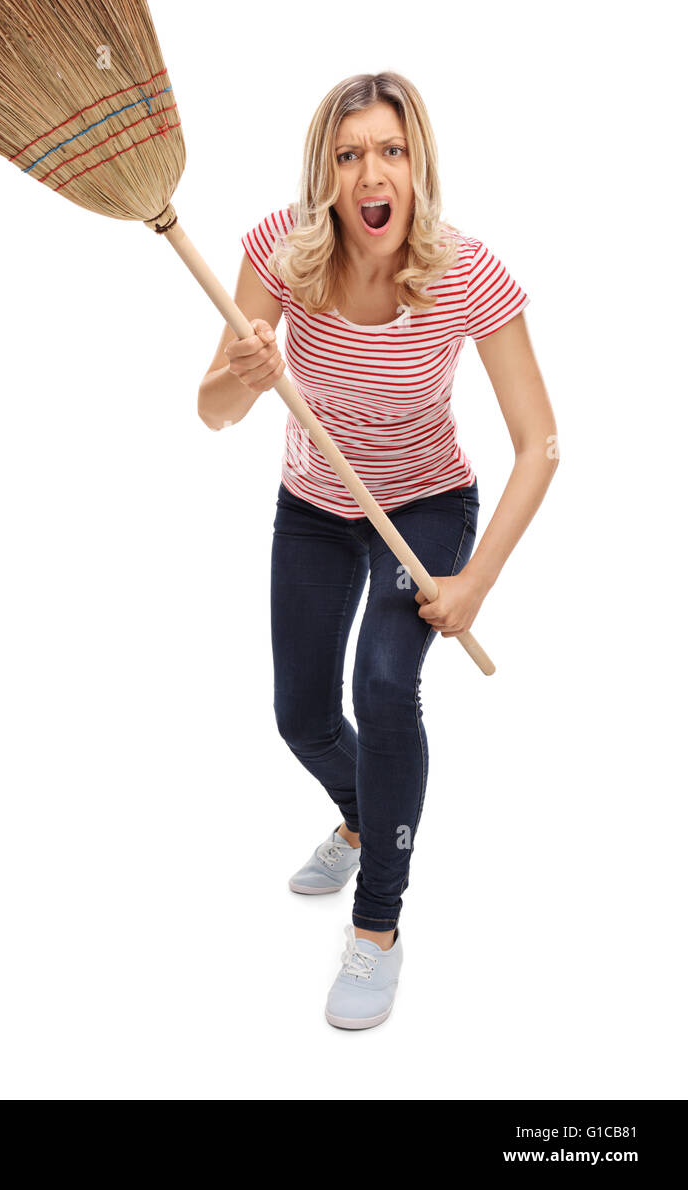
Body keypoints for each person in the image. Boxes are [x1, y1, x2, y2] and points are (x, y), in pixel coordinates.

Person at [197, 71, 559, 1030]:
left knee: (386, 687)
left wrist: (476, 582)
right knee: (301, 720)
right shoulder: (281, 252)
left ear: (418, 162)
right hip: (315, 505)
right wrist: (241, 371)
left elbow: (541, 443)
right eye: (350, 152)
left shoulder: (463, 272)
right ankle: (366, 815)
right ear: (326, 174)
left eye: (390, 150)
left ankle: (379, 925)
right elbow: (213, 413)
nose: (372, 170)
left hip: (427, 506)